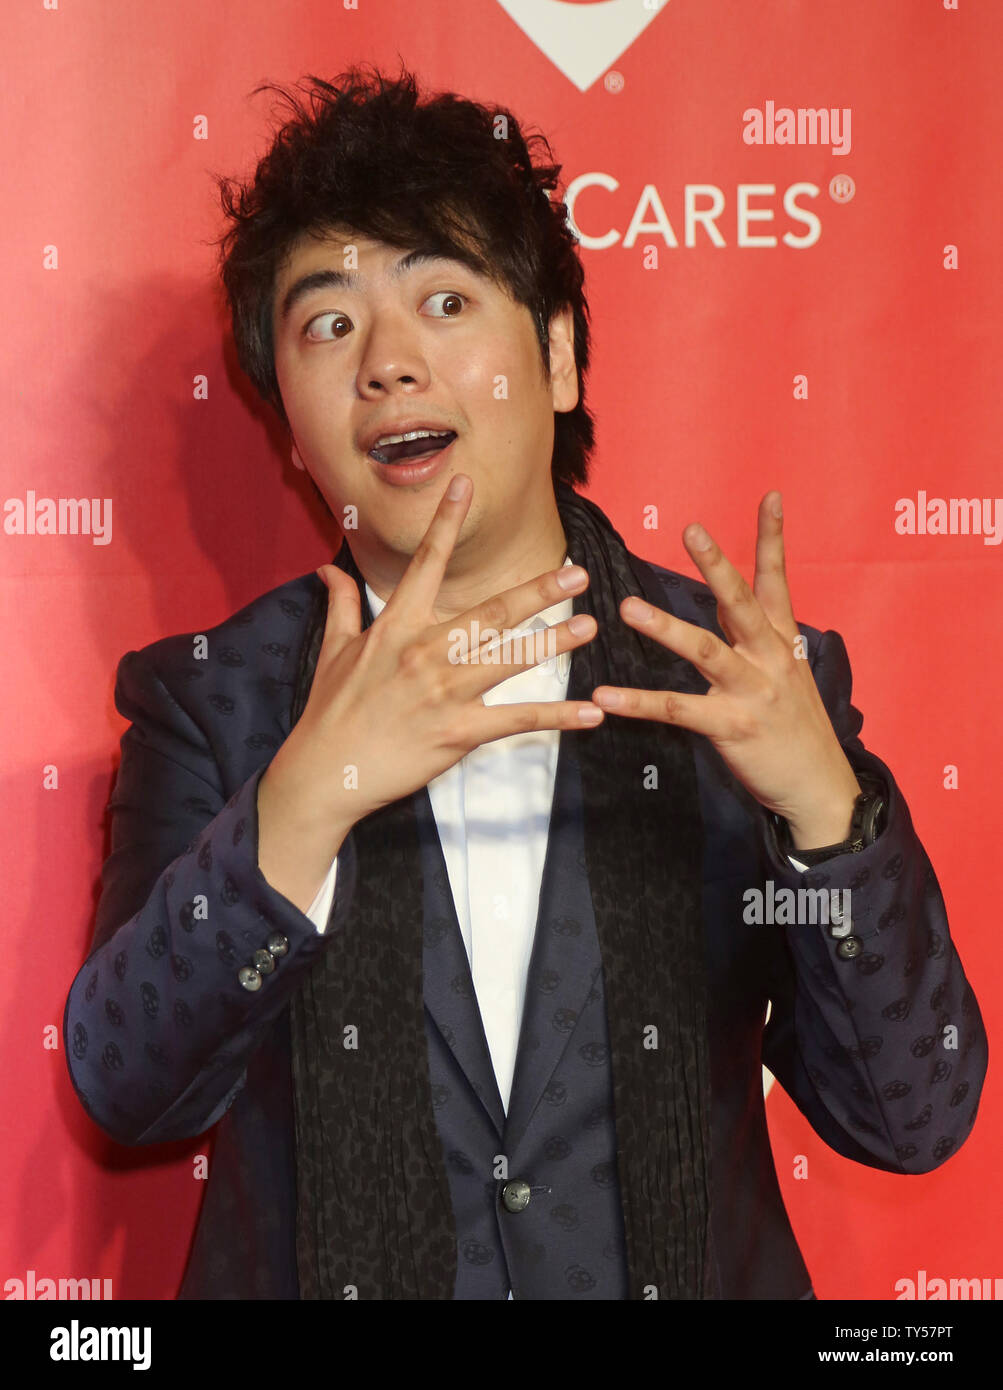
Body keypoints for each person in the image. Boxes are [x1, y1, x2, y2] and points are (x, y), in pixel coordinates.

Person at [64, 65, 987, 1301]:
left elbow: (910, 1114)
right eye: (328, 324)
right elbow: (129, 1089)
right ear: (284, 421)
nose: (388, 363)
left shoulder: (735, 676)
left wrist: (829, 815)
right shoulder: (213, 698)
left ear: (555, 358)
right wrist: (305, 797)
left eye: (444, 300)